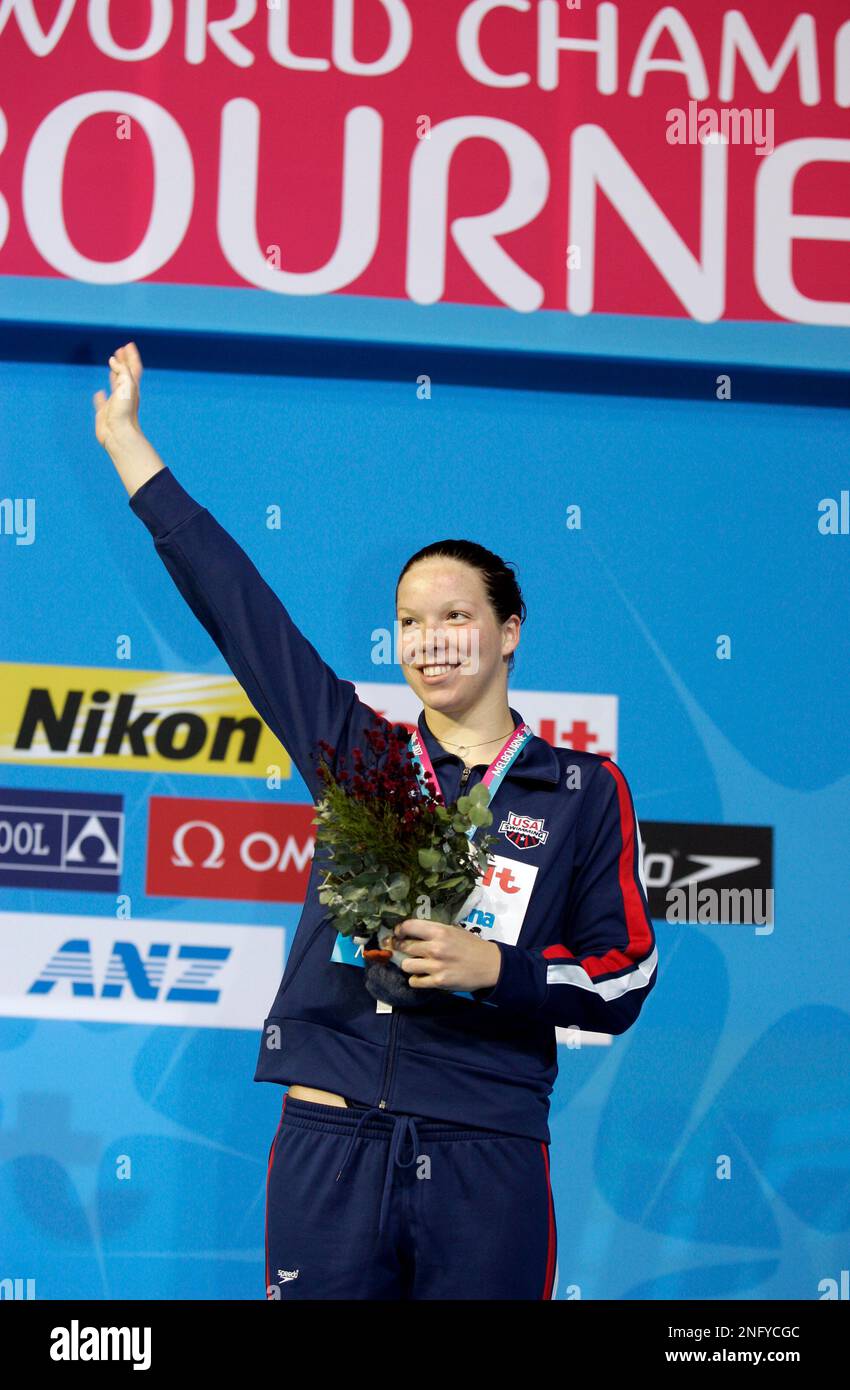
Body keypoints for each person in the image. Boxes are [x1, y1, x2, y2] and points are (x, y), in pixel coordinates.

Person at [93, 343, 659, 1300]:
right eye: (408, 622)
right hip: (335, 1133)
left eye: (453, 616)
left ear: (510, 630)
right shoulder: (364, 756)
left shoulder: (582, 789)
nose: (427, 641)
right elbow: (240, 611)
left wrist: (502, 971)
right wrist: (128, 449)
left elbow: (626, 976)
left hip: (487, 1144)